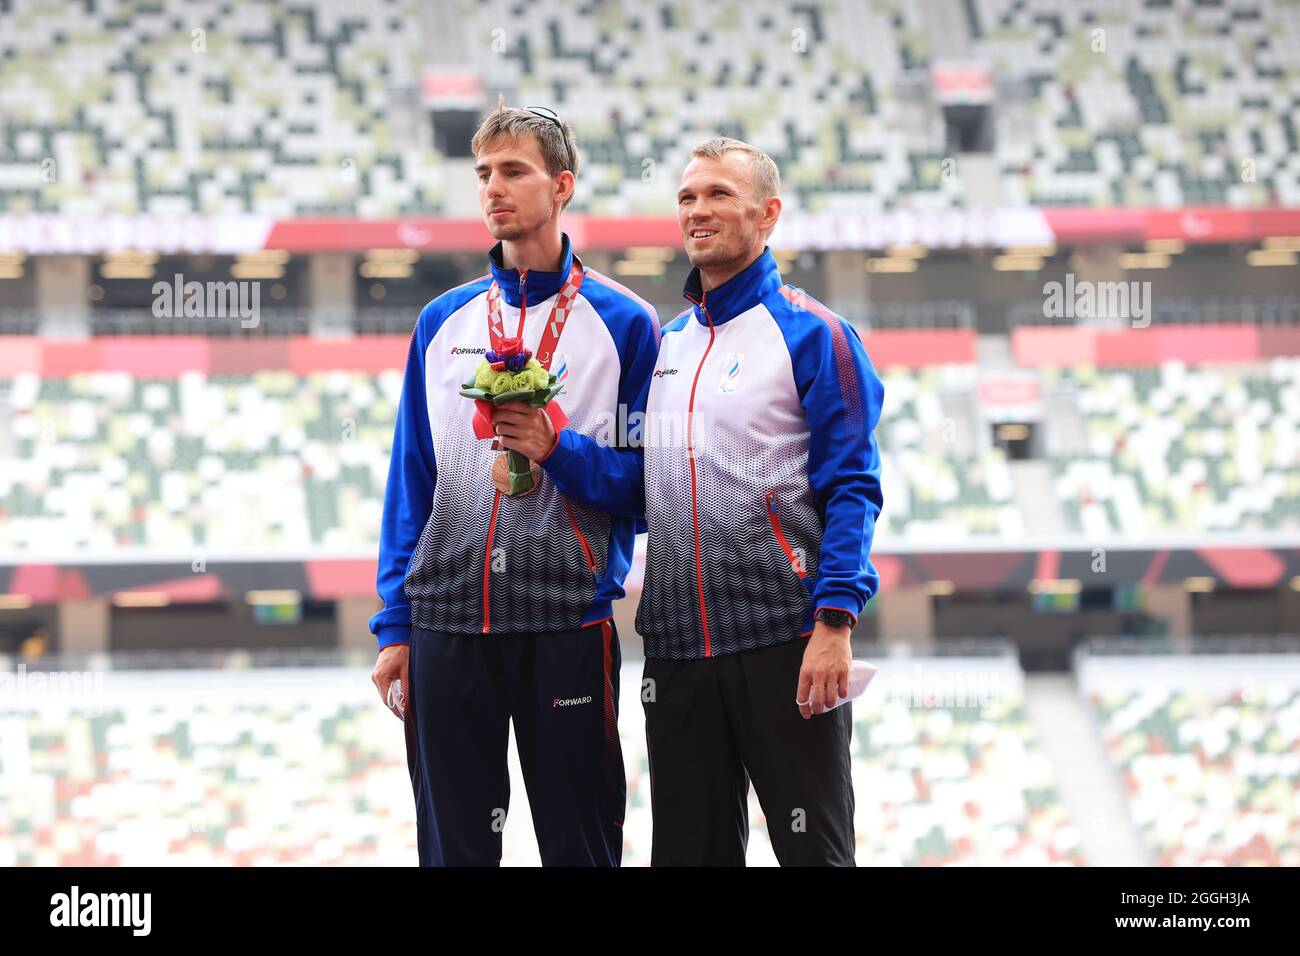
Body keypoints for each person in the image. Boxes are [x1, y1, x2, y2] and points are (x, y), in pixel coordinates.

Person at [368, 103, 660, 866]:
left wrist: (559, 449)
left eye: (514, 172)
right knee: (454, 851)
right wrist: (395, 624)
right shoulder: (442, 320)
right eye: (483, 175)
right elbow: (413, 481)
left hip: (566, 621)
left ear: (561, 186)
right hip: (446, 625)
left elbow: (650, 489)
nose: (494, 190)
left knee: (581, 846)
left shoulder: (626, 324)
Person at [636, 136, 885, 865]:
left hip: (787, 644)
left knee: (816, 856)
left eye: (719, 194)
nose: (698, 209)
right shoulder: (667, 346)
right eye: (687, 196)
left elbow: (853, 487)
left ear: (767, 214)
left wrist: (835, 622)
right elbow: (640, 488)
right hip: (678, 654)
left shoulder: (817, 334)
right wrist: (554, 446)